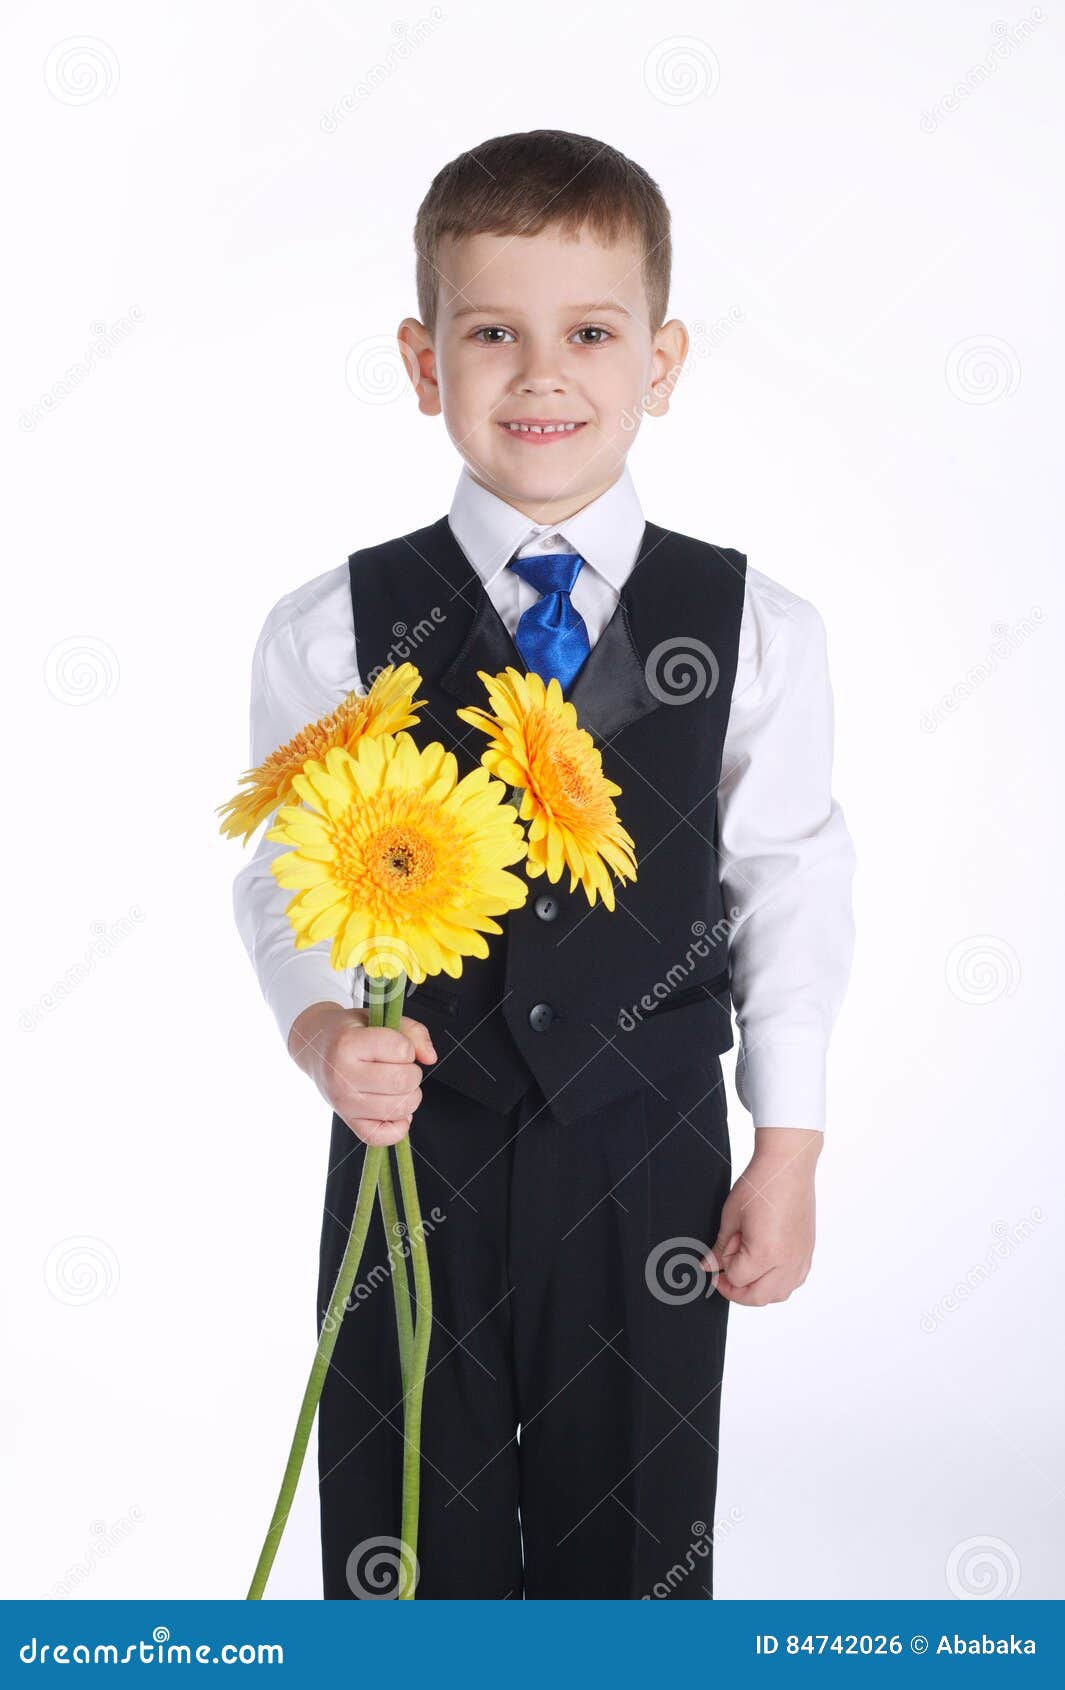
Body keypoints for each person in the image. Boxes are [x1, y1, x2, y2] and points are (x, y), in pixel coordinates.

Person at [232, 129, 856, 1600]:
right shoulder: (332, 626)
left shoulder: (756, 628)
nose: (540, 376)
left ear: (662, 358)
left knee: (635, 1534)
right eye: (490, 334)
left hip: (646, 1148)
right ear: (422, 361)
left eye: (589, 333)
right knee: (400, 1531)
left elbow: (786, 880)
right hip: (412, 1144)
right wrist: (321, 1029)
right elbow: (282, 867)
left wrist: (788, 1144)